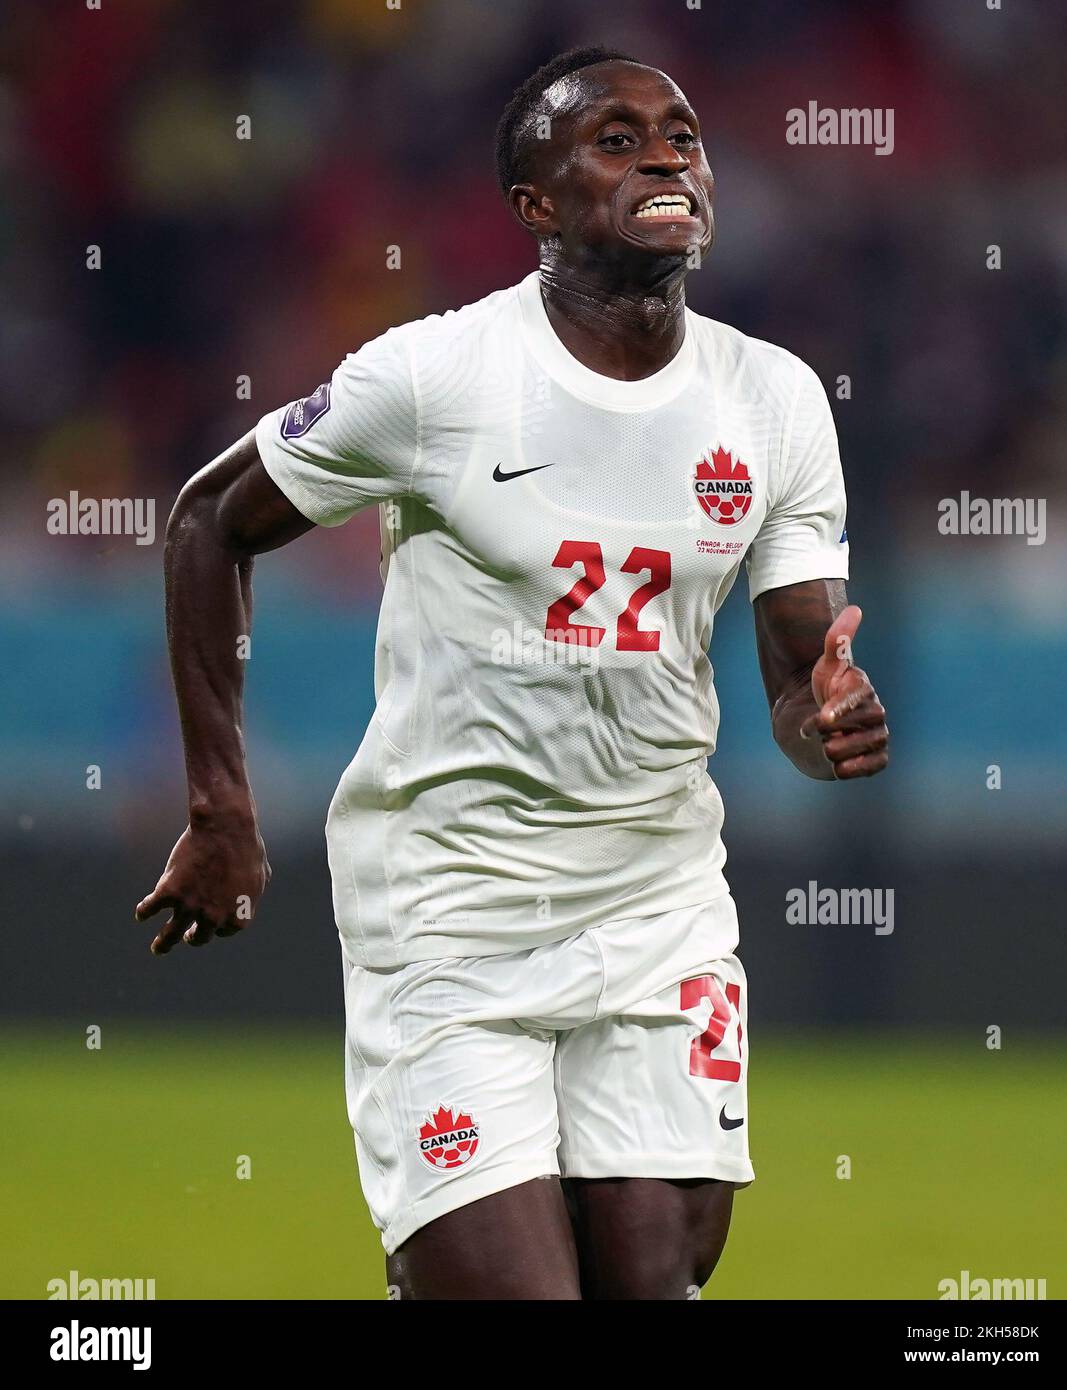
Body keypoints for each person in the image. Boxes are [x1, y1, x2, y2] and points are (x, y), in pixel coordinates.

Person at [137, 46, 889, 1300]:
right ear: (534, 206)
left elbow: (798, 692)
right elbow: (206, 521)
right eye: (615, 136)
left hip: (657, 906)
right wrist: (220, 803)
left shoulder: (776, 401)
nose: (665, 153)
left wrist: (833, 723)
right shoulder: (434, 379)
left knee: (651, 1282)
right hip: (451, 910)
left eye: (683, 134)